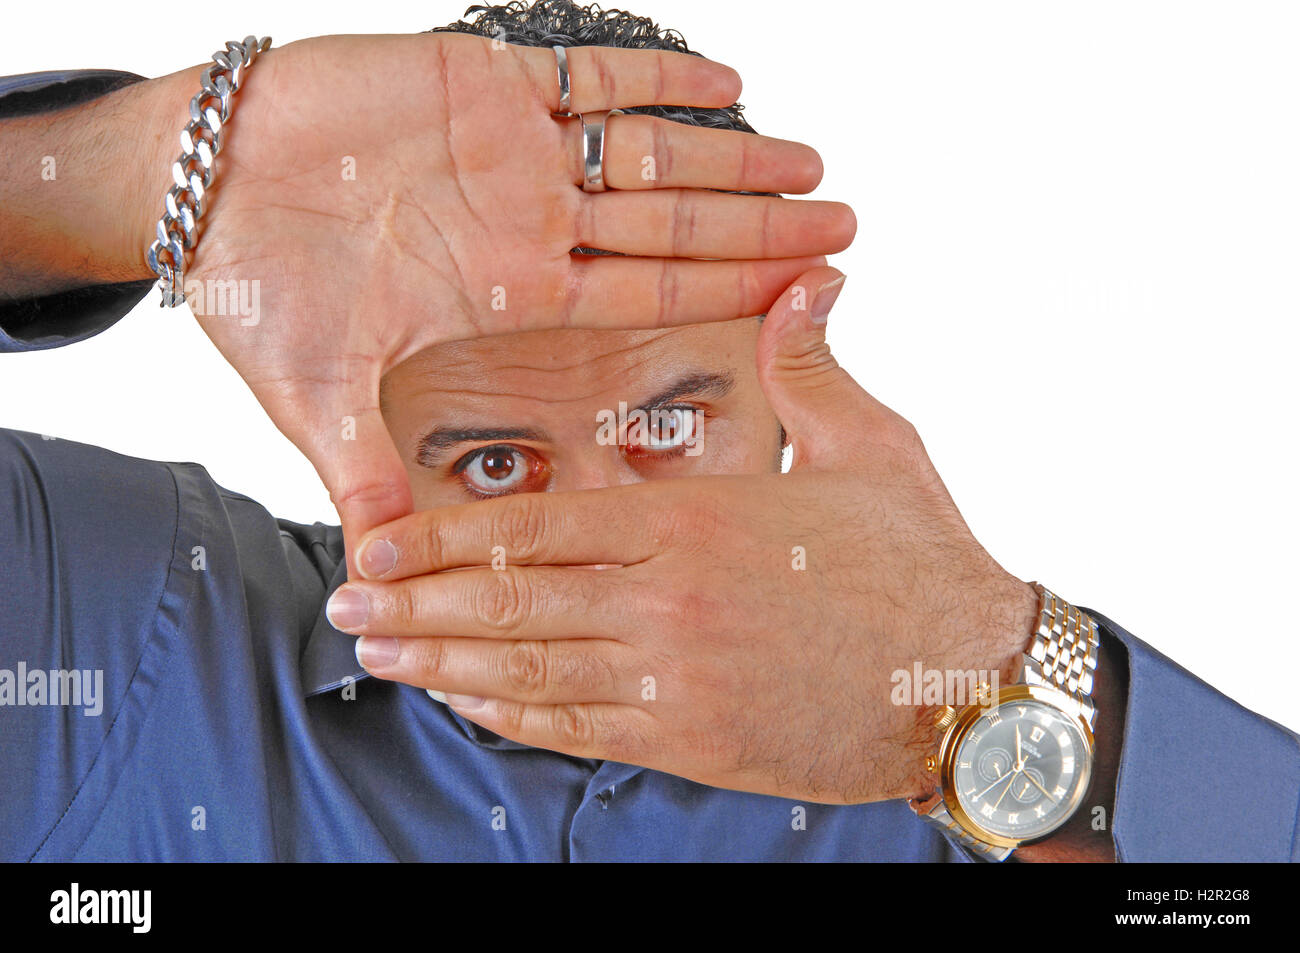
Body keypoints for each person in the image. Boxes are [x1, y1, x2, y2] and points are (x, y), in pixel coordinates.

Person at [2, 1, 1297, 862]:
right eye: (495, 459)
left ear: (795, 397)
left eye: (672, 423)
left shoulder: (988, 769)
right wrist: (148, 167)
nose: (611, 533)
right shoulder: (111, 623)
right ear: (353, 440)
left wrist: (996, 671)